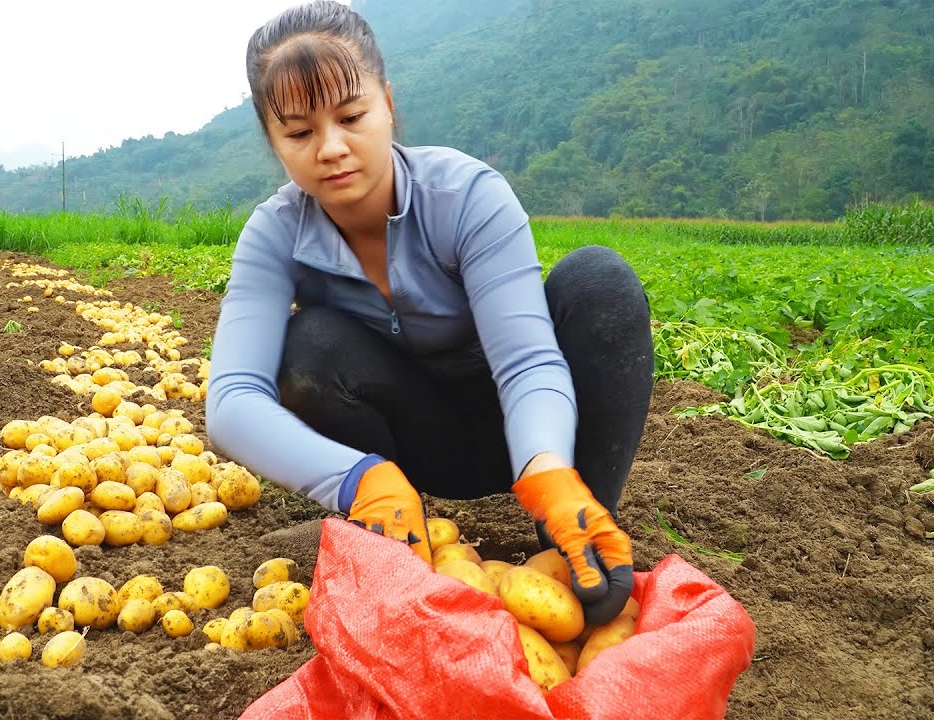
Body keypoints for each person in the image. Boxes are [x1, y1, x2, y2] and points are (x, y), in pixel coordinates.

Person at [206, 0, 654, 625]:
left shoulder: (466, 196)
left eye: (351, 117)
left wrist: (547, 468)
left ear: (387, 103)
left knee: (599, 283)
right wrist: (357, 479)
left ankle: (573, 530)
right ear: (273, 141)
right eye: (300, 133)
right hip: (410, 447)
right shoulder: (275, 233)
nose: (331, 148)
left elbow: (527, 363)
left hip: (522, 434)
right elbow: (231, 402)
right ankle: (392, 532)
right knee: (310, 345)